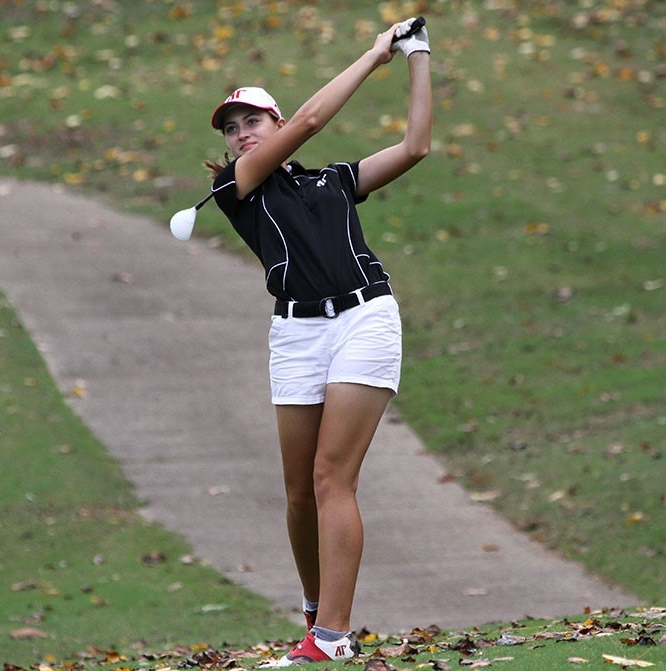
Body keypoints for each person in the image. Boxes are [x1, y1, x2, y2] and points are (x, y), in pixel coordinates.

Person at [204, 17, 432, 667]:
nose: (242, 133)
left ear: (270, 127)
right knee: (299, 489)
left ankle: (330, 637)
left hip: (364, 319)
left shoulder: (332, 182)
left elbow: (415, 147)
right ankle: (314, 613)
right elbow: (308, 120)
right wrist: (370, 56)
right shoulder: (235, 188)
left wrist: (415, 56)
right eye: (231, 127)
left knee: (333, 475)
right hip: (295, 332)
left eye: (252, 122)